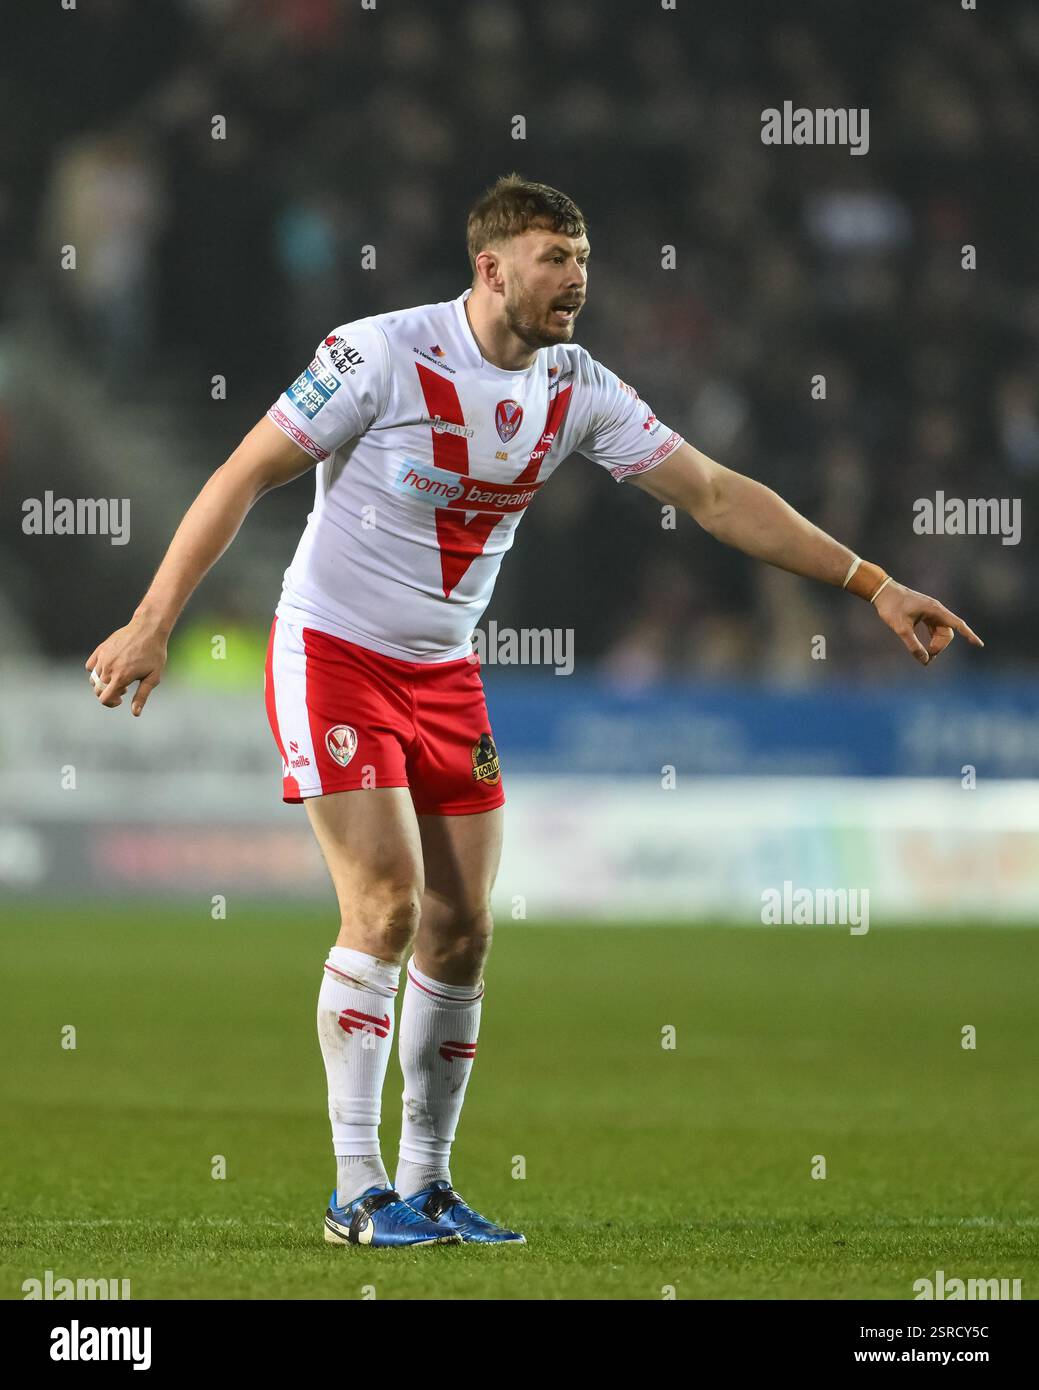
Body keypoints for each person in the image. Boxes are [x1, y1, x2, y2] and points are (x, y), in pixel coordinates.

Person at [86, 173, 983, 1249]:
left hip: (445, 672)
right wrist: (152, 621)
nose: (576, 281)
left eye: (585, 262)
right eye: (555, 259)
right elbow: (243, 475)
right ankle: (354, 1187)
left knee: (464, 930)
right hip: (332, 654)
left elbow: (710, 493)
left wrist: (870, 580)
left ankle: (426, 1183)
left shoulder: (577, 387)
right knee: (385, 903)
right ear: (491, 266)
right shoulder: (380, 354)